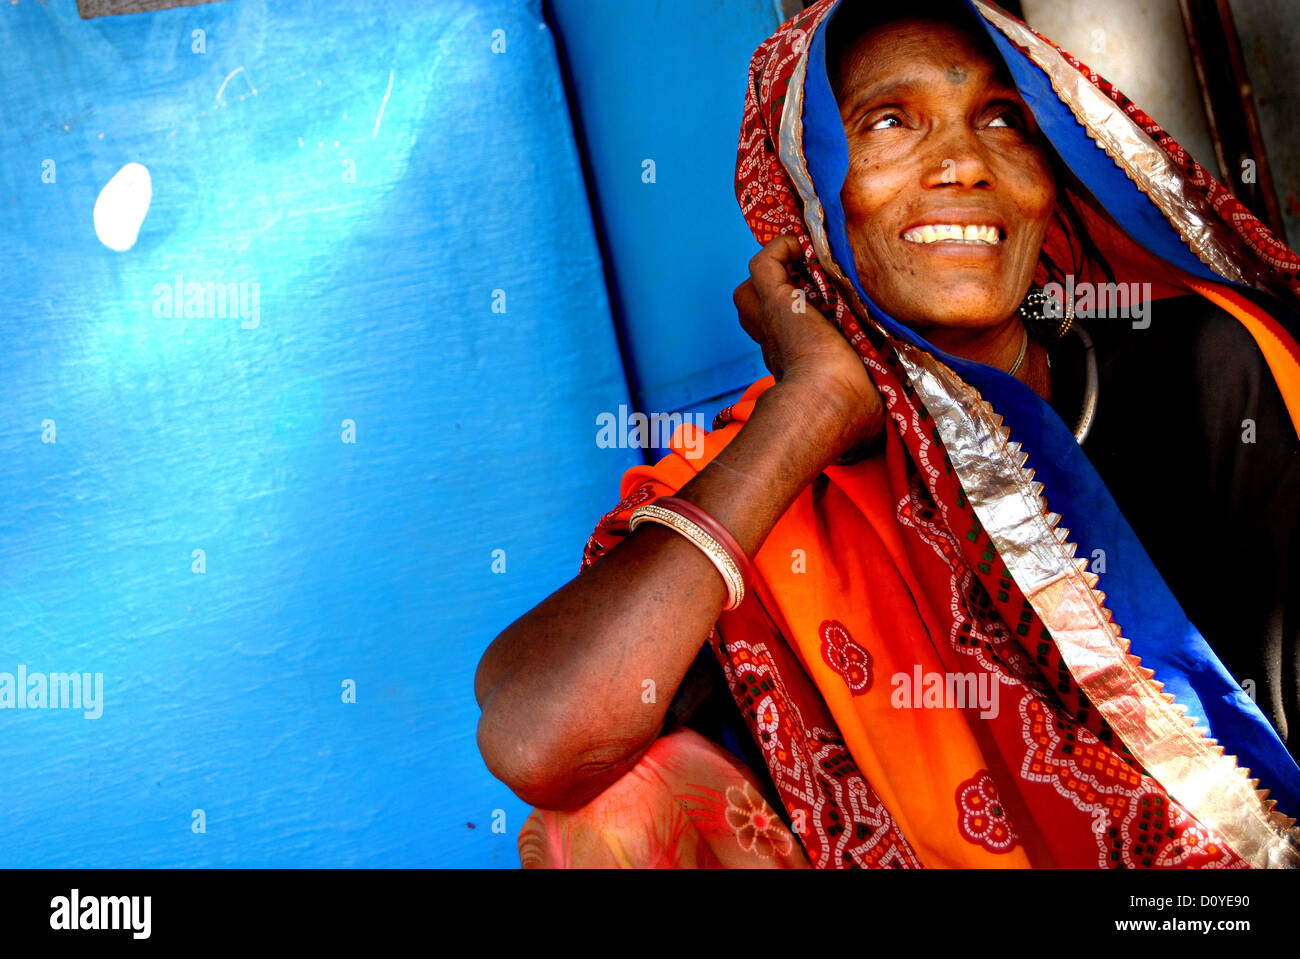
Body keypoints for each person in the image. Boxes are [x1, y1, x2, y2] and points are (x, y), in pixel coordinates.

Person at [475, 0, 1300, 868]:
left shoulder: (1196, 370)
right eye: (891, 120)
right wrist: (814, 409)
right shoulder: (766, 474)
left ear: (1050, 183)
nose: (961, 163)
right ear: (810, 189)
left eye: (1002, 120)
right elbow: (541, 736)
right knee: (615, 809)